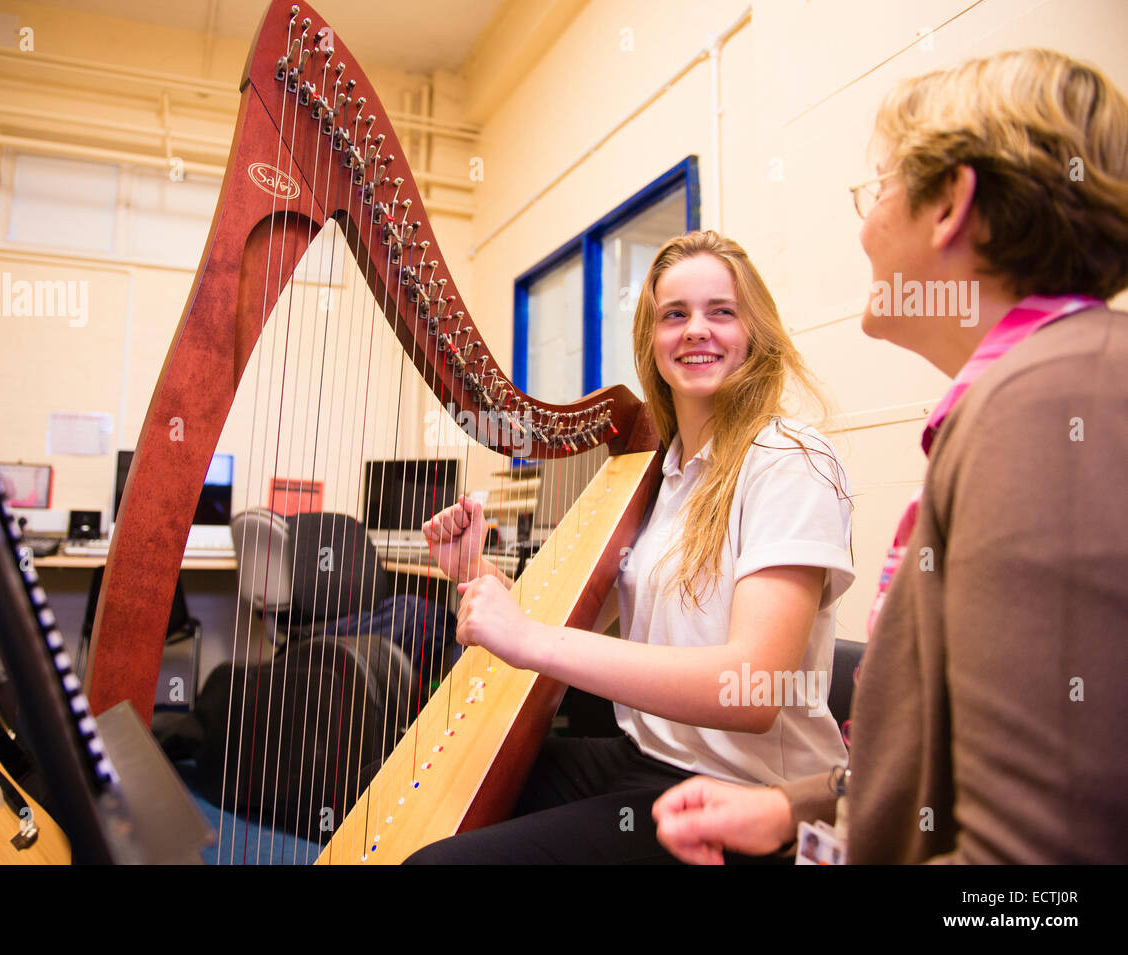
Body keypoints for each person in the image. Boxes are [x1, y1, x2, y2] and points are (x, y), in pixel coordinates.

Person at [653, 48, 1128, 864]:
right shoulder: (1039, 386)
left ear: (950, 204)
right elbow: (935, 767)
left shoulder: (1054, 404)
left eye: (878, 190)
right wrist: (789, 806)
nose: (866, 226)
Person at [404, 230, 856, 864]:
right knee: (427, 785)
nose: (696, 330)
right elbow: (573, 622)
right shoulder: (662, 473)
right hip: (641, 759)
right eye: (675, 315)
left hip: (749, 794)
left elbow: (750, 688)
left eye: (721, 311)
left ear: (755, 332)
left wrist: (527, 639)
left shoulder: (789, 460)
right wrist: (472, 570)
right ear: (650, 339)